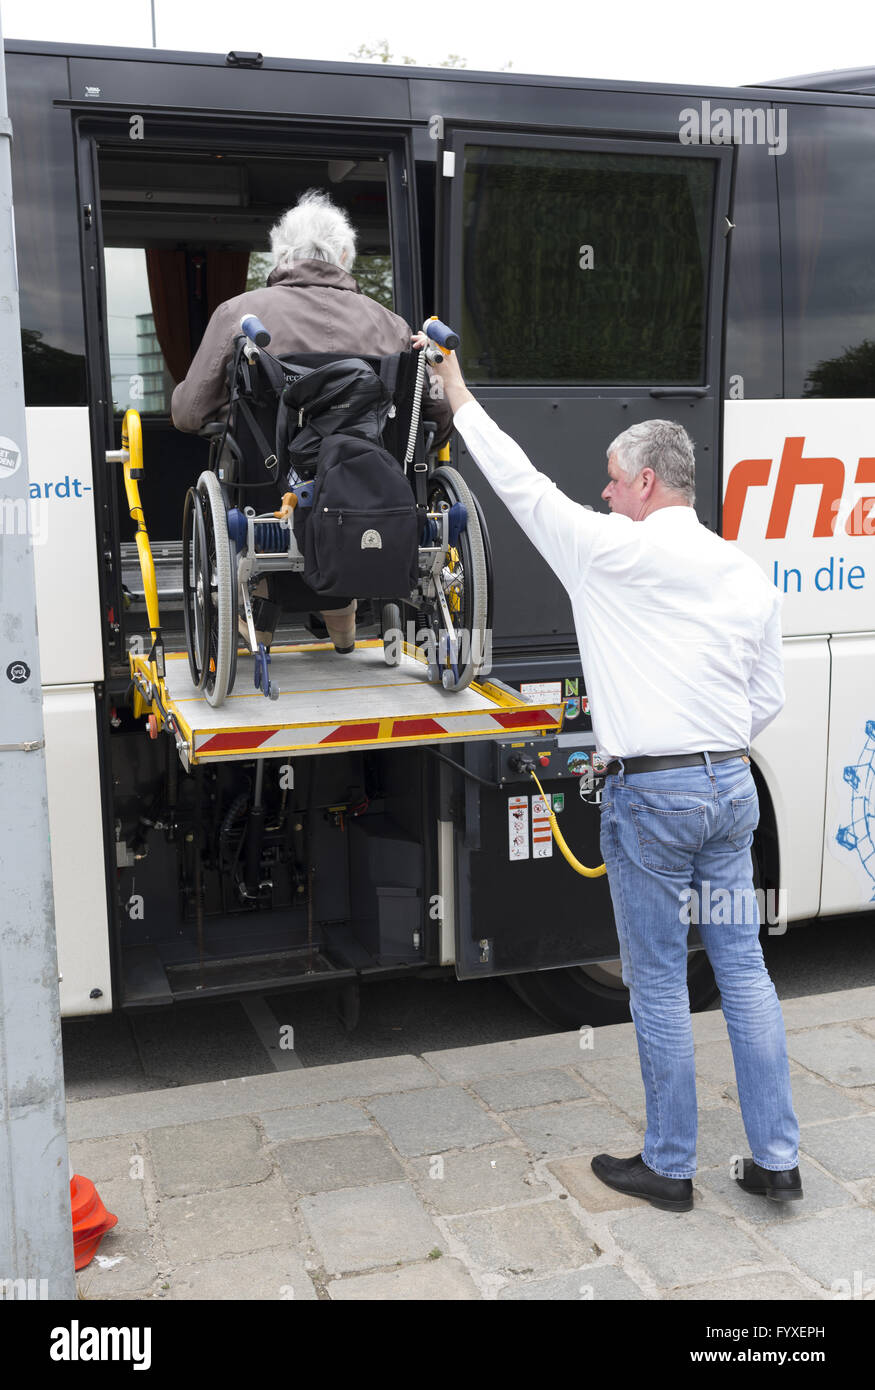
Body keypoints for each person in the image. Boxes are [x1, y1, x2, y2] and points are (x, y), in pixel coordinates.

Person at [418, 338, 801, 1213]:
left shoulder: (605, 552)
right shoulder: (744, 573)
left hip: (654, 801)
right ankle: (775, 1158)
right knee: (742, 969)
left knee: (660, 979)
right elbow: (766, 695)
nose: (600, 493)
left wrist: (458, 391)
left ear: (645, 485)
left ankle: (668, 1167)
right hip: (730, 793)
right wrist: (702, 743)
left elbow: (517, 485)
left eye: (610, 480)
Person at [171, 189, 452, 652]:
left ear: (280, 255)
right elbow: (435, 418)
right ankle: (341, 614)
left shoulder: (241, 315)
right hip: (368, 494)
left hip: (272, 499)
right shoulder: (394, 326)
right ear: (345, 257)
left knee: (261, 473)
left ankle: (260, 615)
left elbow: (188, 414)